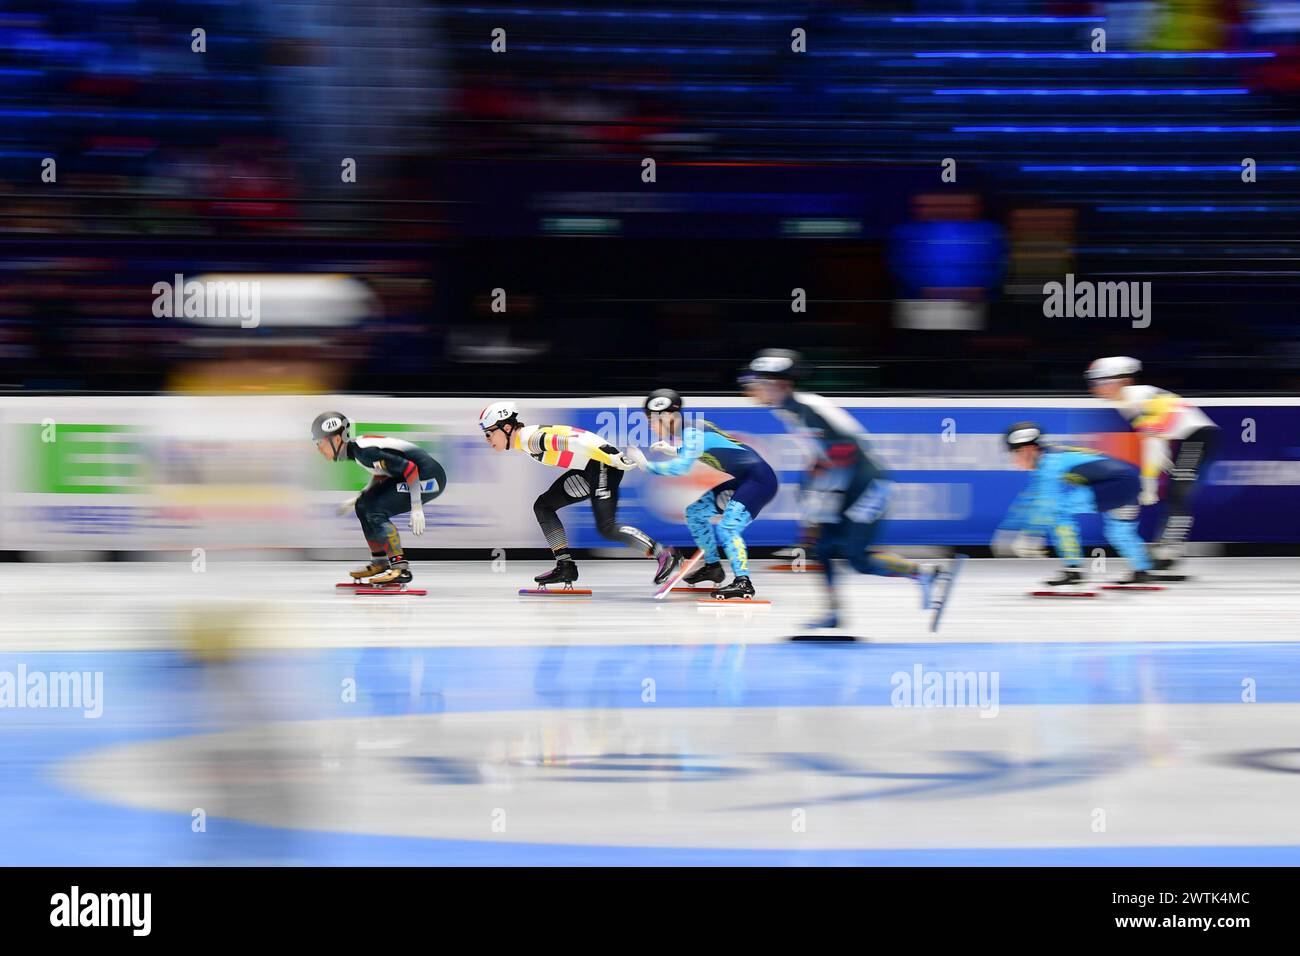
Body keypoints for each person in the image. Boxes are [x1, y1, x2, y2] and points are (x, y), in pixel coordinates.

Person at [739, 350, 941, 629]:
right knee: (822, 548)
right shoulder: (790, 409)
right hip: (849, 484)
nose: (752, 389)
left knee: (856, 557)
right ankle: (833, 613)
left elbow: (844, 452)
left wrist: (815, 502)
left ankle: (923, 573)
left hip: (869, 485)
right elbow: (825, 458)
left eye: (758, 382)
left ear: (779, 383)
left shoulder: (805, 409)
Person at [478, 401, 679, 587]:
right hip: (589, 470)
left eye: (488, 433)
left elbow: (577, 441)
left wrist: (612, 455)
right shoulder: (526, 439)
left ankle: (664, 554)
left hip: (603, 464)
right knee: (543, 506)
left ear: (506, 427)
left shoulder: (532, 439)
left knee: (607, 527)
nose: (487, 439)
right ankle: (565, 566)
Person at [625, 388, 778, 599]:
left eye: (652, 419)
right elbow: (705, 448)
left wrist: (645, 465)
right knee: (696, 513)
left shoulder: (691, 432)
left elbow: (680, 469)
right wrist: (674, 450)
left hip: (759, 480)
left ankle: (743, 582)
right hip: (745, 479)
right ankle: (713, 567)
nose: (650, 424)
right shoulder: (689, 432)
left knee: (728, 527)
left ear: (668, 415)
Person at [1086, 356, 1219, 570]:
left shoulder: (1134, 398)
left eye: (1097, 382)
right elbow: (1158, 438)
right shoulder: (1130, 398)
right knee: (1175, 492)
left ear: (1117, 381)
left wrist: (1148, 482)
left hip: (1196, 436)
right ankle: (1168, 548)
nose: (1093, 388)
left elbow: (1153, 441)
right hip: (1185, 437)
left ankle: (1169, 551)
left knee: (1177, 492)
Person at [994, 421, 1153, 586]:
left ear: (1029, 449)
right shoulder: (1053, 455)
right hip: (1130, 481)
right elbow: (1031, 497)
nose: (1015, 462)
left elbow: (1047, 502)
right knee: (1120, 532)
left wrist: (1030, 534)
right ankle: (1142, 569)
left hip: (1118, 483)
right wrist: (1013, 528)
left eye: (1015, 454)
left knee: (1059, 510)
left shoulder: (1050, 462)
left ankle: (1073, 569)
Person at [312, 411, 446, 586]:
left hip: (429, 478)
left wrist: (416, 507)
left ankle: (400, 568)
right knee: (363, 505)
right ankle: (380, 561)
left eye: (320, 442)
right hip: (411, 475)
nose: (318, 448)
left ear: (336, 440)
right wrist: (359, 498)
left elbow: (410, 468)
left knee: (376, 509)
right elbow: (382, 473)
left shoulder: (364, 452)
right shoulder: (359, 451)